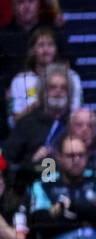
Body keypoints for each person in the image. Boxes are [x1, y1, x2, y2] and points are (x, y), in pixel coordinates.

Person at [2, 62, 70, 191]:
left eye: (63, 88)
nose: (58, 92)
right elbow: (5, 163)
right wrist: (32, 164)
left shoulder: (74, 123)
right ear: (43, 91)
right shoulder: (27, 124)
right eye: (53, 87)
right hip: (30, 188)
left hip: (69, 191)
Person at [6, 25, 79, 124]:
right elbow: (13, 121)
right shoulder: (20, 81)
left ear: (56, 49)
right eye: (41, 45)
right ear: (32, 50)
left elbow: (77, 115)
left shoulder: (71, 77)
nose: (46, 50)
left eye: (50, 45)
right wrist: (38, 104)